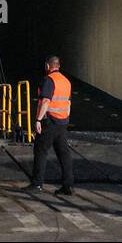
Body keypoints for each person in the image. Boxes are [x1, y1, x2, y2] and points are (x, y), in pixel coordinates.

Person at [27, 55, 74, 196]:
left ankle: (37, 184)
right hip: (62, 123)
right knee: (64, 154)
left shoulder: (49, 80)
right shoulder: (66, 81)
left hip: (49, 122)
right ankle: (68, 185)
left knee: (40, 151)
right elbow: (69, 103)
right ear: (58, 66)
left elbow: (46, 101)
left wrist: (38, 120)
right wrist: (65, 119)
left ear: (48, 66)